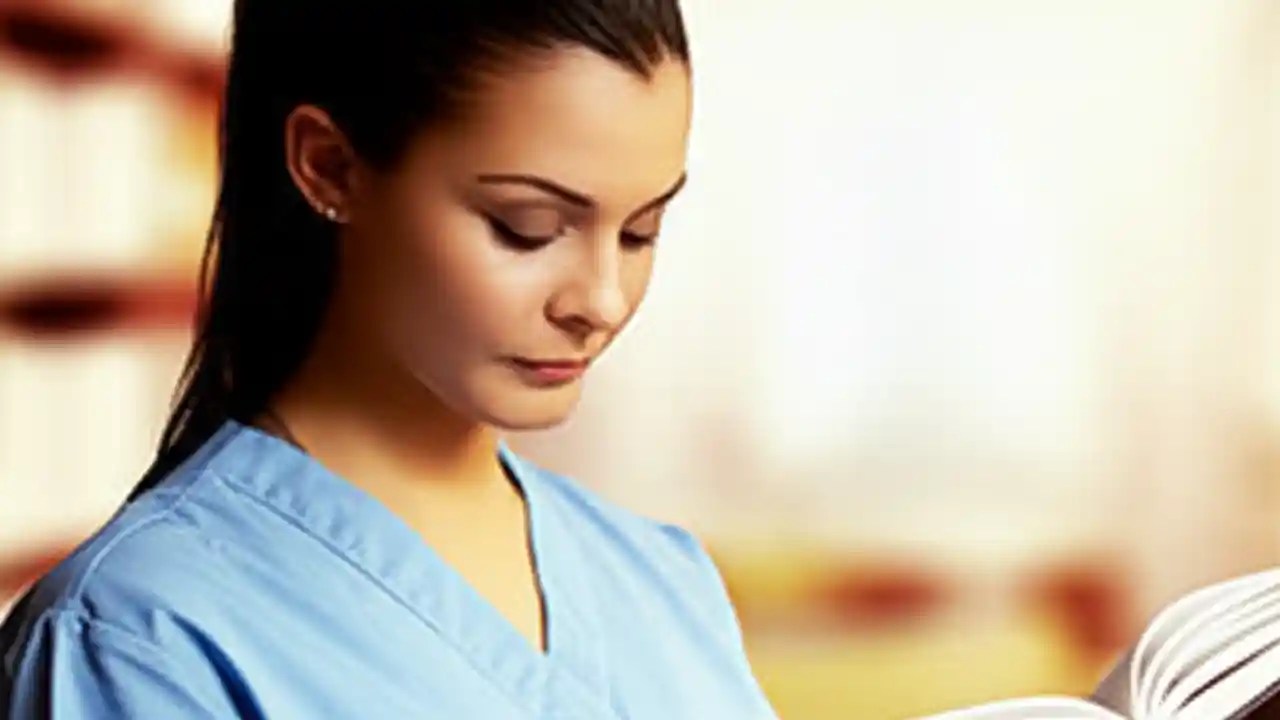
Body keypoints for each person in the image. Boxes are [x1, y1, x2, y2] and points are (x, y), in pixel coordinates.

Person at [0, 2, 778, 717]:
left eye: (641, 232)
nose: (601, 301)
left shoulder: (663, 583)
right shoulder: (142, 641)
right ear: (330, 167)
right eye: (526, 227)